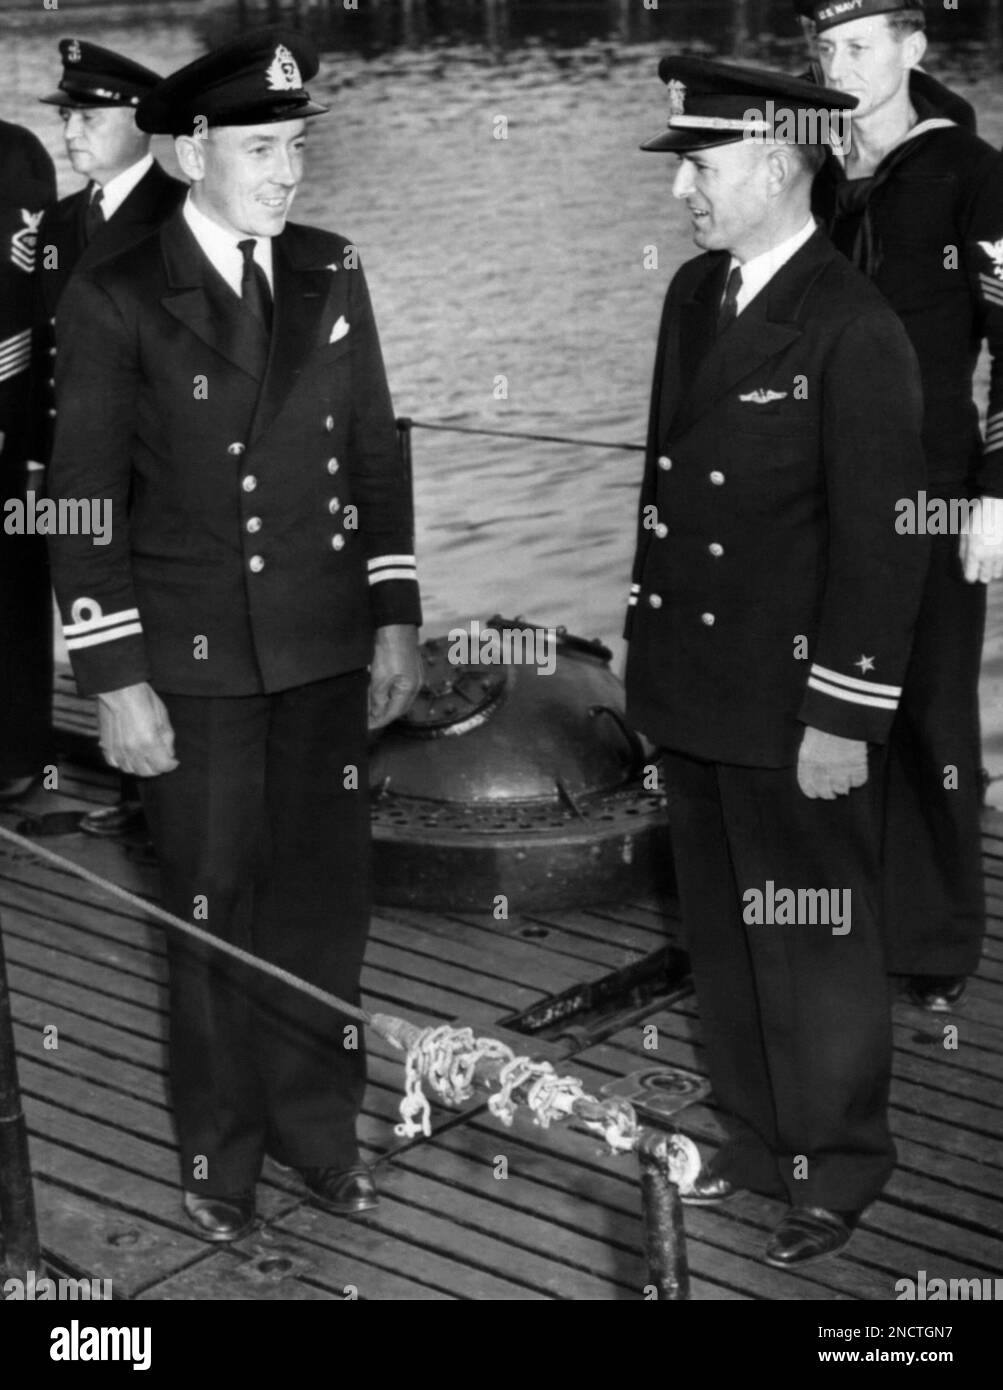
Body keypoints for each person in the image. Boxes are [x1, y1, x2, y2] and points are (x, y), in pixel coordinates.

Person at [46, 28, 422, 1243]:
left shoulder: (331, 265)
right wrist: (113, 676)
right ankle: (222, 1166)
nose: (288, 172)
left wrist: (397, 614)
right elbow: (84, 501)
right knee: (209, 913)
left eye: (297, 146)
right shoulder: (114, 292)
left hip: (323, 655)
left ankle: (321, 1136)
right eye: (262, 149)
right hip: (193, 669)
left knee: (325, 911)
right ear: (192, 149)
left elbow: (374, 450)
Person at [624, 56, 930, 1267]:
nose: (683, 193)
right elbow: (662, 485)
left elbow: (881, 547)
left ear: (777, 160)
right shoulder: (697, 295)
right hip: (695, 686)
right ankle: (756, 1141)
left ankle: (836, 1164)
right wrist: (648, 668)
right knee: (725, 929)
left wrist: (842, 718)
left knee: (814, 936)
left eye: (701, 166)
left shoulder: (854, 328)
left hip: (794, 697)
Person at [797, 0, 1003, 1013]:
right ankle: (838, 914)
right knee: (825, 695)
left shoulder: (973, 172)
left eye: (860, 46)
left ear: (914, 50)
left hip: (931, 488)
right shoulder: (812, 165)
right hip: (815, 482)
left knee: (929, 711)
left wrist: (997, 496)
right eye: (824, 47)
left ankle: (933, 948)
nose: (837, 65)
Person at [31, 39, 186, 835]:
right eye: (65, 118)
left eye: (87, 117)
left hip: (158, 476)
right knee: (98, 624)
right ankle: (137, 800)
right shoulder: (62, 222)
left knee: (164, 635)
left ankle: (168, 810)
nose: (69, 132)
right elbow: (47, 358)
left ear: (139, 120)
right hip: (79, 472)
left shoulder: (182, 214)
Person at [0, 121, 56, 801]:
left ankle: (15, 751)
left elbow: (22, 294)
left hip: (9, 415)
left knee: (10, 583)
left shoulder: (15, 156)